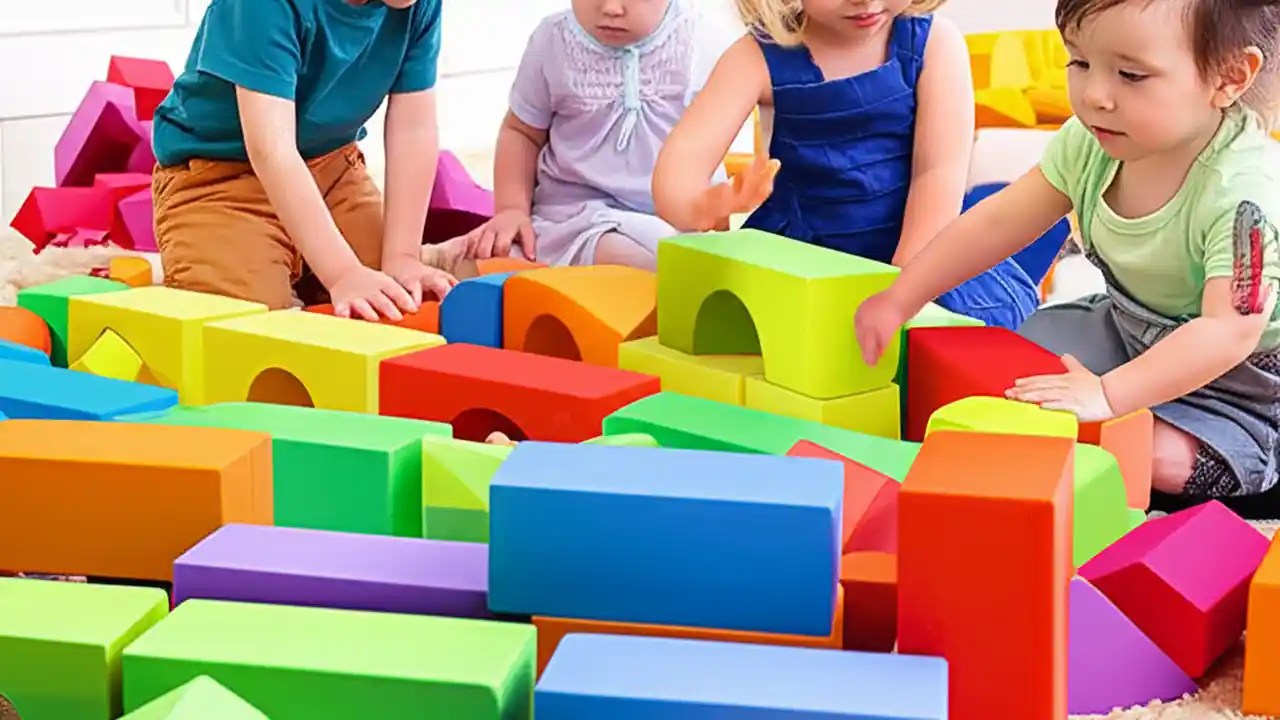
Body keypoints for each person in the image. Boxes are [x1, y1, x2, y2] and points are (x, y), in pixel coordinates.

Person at [856, 0, 1280, 502]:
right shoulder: (1091, 143)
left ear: (1229, 77)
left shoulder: (1245, 197)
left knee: (1147, 457)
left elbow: (1226, 332)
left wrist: (1109, 395)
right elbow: (998, 222)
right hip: (1128, 327)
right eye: (1079, 63)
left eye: (1131, 75)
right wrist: (904, 293)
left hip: (1244, 383)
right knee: (1001, 374)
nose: (1096, 95)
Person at [650, 0, 1041, 330]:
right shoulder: (755, 58)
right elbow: (676, 172)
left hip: (919, 250)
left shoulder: (934, 44)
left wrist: (904, 285)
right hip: (802, 263)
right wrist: (705, 206)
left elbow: (936, 174)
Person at [150, 0, 460, 322]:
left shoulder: (417, 5)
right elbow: (272, 149)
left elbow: (414, 128)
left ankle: (312, 272)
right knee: (250, 324)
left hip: (333, 169)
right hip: (220, 178)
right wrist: (343, 273)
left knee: (401, 302)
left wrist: (403, 257)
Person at [447, 0, 723, 272]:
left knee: (679, 255)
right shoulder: (553, 42)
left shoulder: (697, 42)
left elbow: (713, 144)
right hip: (574, 216)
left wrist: (717, 220)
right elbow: (521, 133)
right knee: (495, 258)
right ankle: (446, 260)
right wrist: (512, 210)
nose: (612, 8)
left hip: (671, 217)